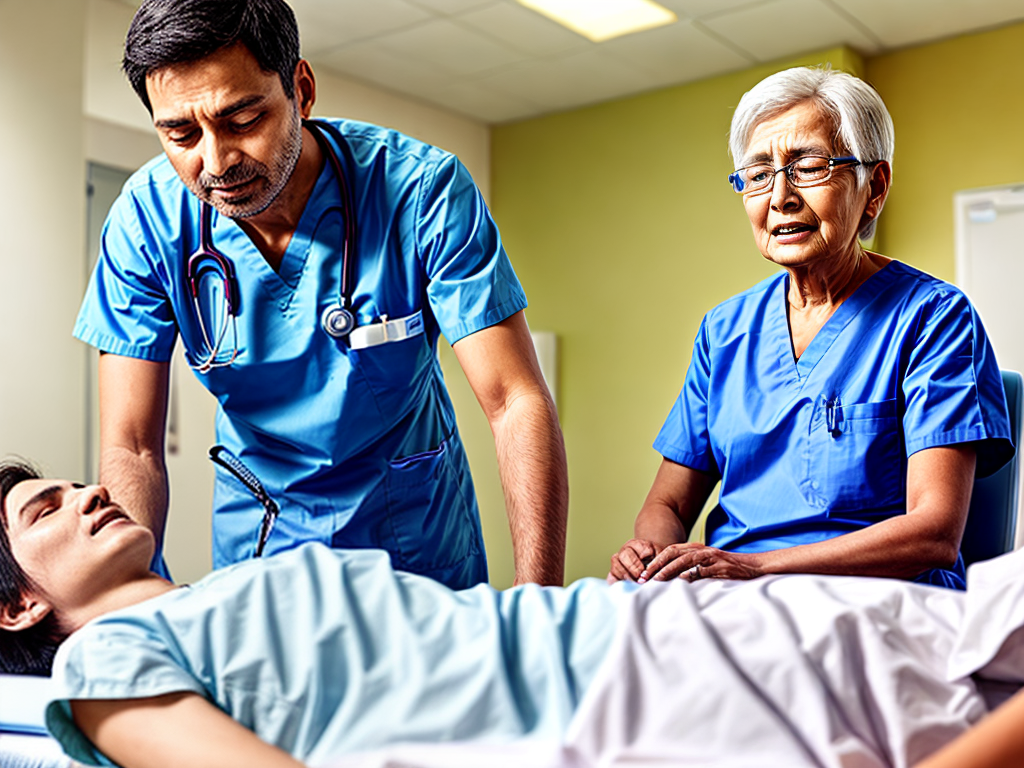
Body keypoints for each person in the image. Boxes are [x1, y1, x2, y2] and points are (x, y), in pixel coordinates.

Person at [3, 459, 1022, 768]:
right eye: (46, 509)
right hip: (598, 707)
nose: (90, 493)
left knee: (950, 639)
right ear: (16, 607)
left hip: (616, 627)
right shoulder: (104, 662)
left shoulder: (228, 586)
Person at [73, 0, 567, 589]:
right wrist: (130, 605)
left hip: (413, 537)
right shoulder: (145, 222)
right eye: (180, 133)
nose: (216, 161)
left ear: (301, 90)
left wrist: (539, 610)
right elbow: (132, 448)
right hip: (261, 541)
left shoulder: (421, 191)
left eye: (242, 120)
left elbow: (514, 402)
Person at [609, 66, 1013, 590]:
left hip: (873, 601)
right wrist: (654, 556)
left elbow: (933, 533)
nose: (779, 196)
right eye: (757, 174)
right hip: (731, 598)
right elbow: (666, 503)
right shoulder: (724, 330)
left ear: (874, 188)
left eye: (809, 166)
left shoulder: (933, 318)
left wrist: (753, 567)